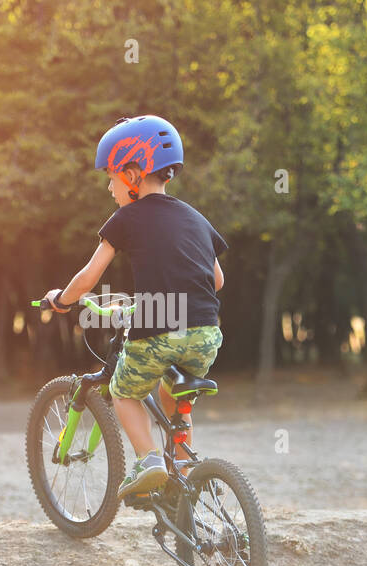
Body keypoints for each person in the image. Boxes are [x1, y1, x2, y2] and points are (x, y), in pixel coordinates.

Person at [41, 115, 227, 500]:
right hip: (207, 335)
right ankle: (184, 469)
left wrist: (62, 299)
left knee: (124, 390)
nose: (109, 186)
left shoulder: (125, 218)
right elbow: (218, 281)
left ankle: (150, 460)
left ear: (132, 174)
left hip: (158, 332)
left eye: (110, 176)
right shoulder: (195, 218)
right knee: (171, 392)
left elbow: (89, 279)